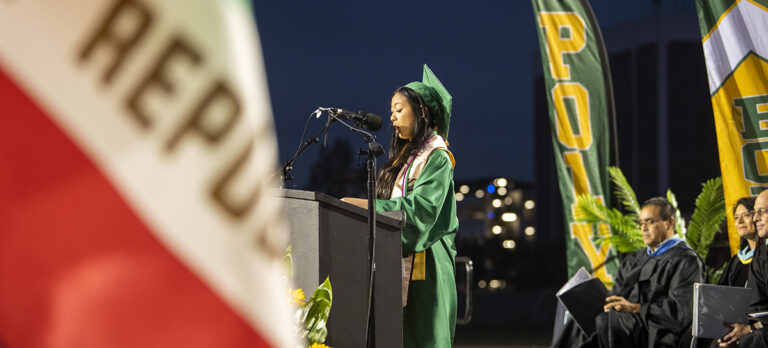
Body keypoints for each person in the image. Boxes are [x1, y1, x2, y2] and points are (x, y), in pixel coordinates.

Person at [342, 64, 458, 348]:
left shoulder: (438, 157)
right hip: (400, 262)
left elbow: (420, 213)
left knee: (422, 338)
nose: (391, 117)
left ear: (421, 112)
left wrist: (367, 207)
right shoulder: (408, 157)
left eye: (398, 109)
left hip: (427, 270)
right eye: (392, 110)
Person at [698, 197, 756, 347]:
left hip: (755, 329)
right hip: (731, 325)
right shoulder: (737, 260)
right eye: (736, 217)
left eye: (746, 215)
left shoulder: (764, 258)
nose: (739, 222)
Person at [722, 189, 768, 347]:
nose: (756, 218)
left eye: (746, 215)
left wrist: (752, 328)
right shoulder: (757, 256)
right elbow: (758, 305)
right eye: (736, 218)